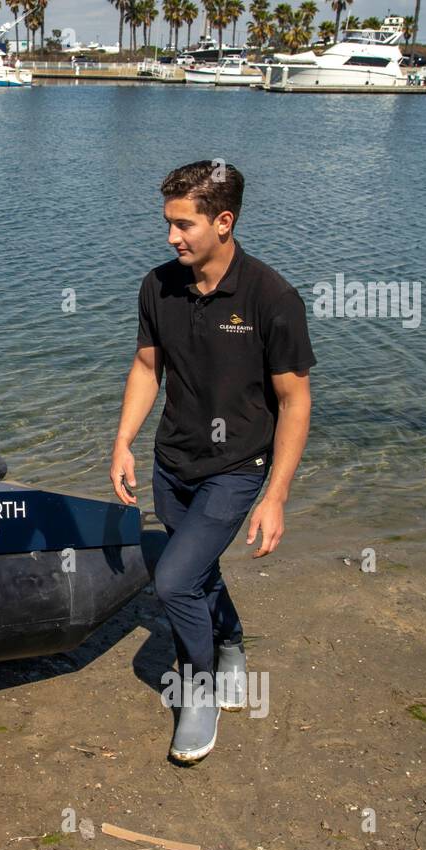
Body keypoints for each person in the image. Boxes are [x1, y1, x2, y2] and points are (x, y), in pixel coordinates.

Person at [110, 160, 315, 765]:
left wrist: (276, 494)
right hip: (172, 460)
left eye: (183, 225)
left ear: (223, 222)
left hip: (238, 466)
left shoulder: (272, 297)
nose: (171, 237)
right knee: (193, 568)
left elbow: (294, 400)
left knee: (173, 579)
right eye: (168, 223)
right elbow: (148, 369)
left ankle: (195, 689)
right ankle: (229, 640)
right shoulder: (158, 285)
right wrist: (123, 441)